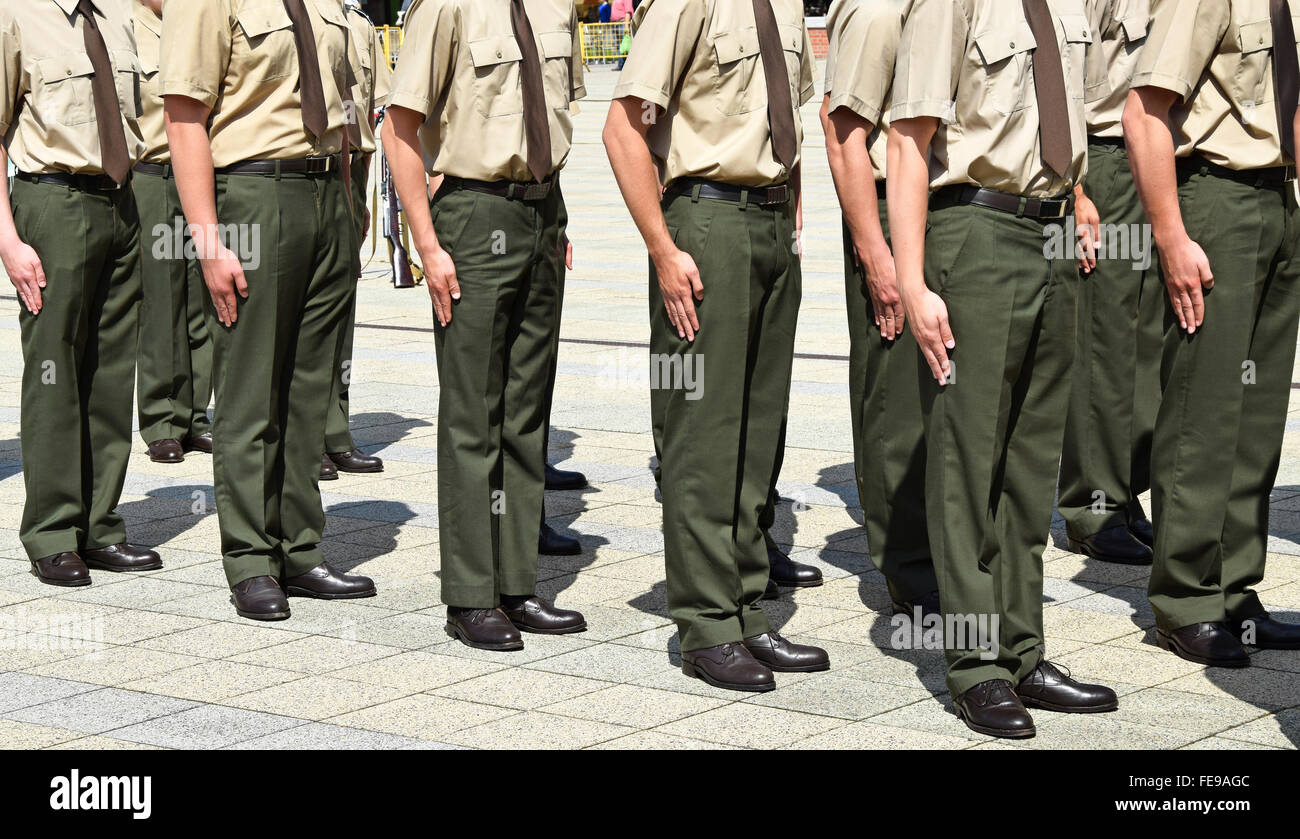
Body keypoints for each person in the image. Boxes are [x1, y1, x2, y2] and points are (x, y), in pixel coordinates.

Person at [889, 0, 1118, 738]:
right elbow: (906, 141)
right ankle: (976, 664)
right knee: (967, 458)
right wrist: (914, 281)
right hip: (978, 232)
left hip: (1050, 234)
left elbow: (1058, 117)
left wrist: (1077, 193)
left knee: (1030, 464)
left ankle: (1023, 649)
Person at [605, 0, 830, 693]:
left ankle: (747, 605)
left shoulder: (786, 8)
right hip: (706, 221)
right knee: (704, 433)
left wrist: (790, 215)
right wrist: (662, 248)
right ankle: (706, 623)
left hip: (767, 224)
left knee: (760, 430)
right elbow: (622, 129)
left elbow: (786, 125)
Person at [162, 0, 376, 621]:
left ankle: (300, 547)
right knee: (251, 389)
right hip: (255, 194)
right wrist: (206, 238)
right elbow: (183, 117)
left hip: (326, 192)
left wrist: (347, 208)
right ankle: (252, 560)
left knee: (310, 390)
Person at [383, 0, 588, 651]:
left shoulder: (556, 7)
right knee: (475, 413)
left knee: (527, 410)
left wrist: (559, 219)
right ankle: (472, 595)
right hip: (475, 215)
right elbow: (400, 126)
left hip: (541, 211)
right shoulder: (445, 6)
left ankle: (517, 582)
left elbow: (552, 119)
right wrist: (427, 243)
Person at [1126, 0, 1300, 665]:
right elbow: (1144, 111)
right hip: (1218, 199)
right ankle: (1186, 597)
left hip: (1279, 200)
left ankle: (1234, 589)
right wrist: (1171, 238)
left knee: (1256, 420)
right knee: (1204, 410)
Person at [1, 0, 163, 588]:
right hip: (53, 202)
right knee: (52, 370)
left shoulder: (116, 16)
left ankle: (99, 526)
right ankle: (51, 531)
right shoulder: (14, 15)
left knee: (112, 372)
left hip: (121, 203)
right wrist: (9, 242)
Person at [821, 0, 938, 618]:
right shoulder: (877, 11)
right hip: (887, 206)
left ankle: (934, 548)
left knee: (934, 392)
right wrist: (875, 254)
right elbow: (844, 132)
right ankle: (908, 569)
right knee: (895, 396)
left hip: (936, 205)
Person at [1057, 0, 1159, 566]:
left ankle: (1122, 491)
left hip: (1161, 155)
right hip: (1107, 160)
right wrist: (1076, 188)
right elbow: (1062, 78)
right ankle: (1093, 508)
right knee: (1105, 343)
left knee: (1148, 343)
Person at [132, 0, 215, 466]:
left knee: (203, 298)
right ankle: (162, 420)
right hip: (154, 176)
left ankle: (195, 415)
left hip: (203, 175)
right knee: (162, 302)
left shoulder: (203, 18)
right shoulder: (124, 24)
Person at [321, 0, 393, 480]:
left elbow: (377, 103)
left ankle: (333, 430)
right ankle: (301, 439)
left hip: (351, 163)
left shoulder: (360, 24)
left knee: (338, 310)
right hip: (293, 168)